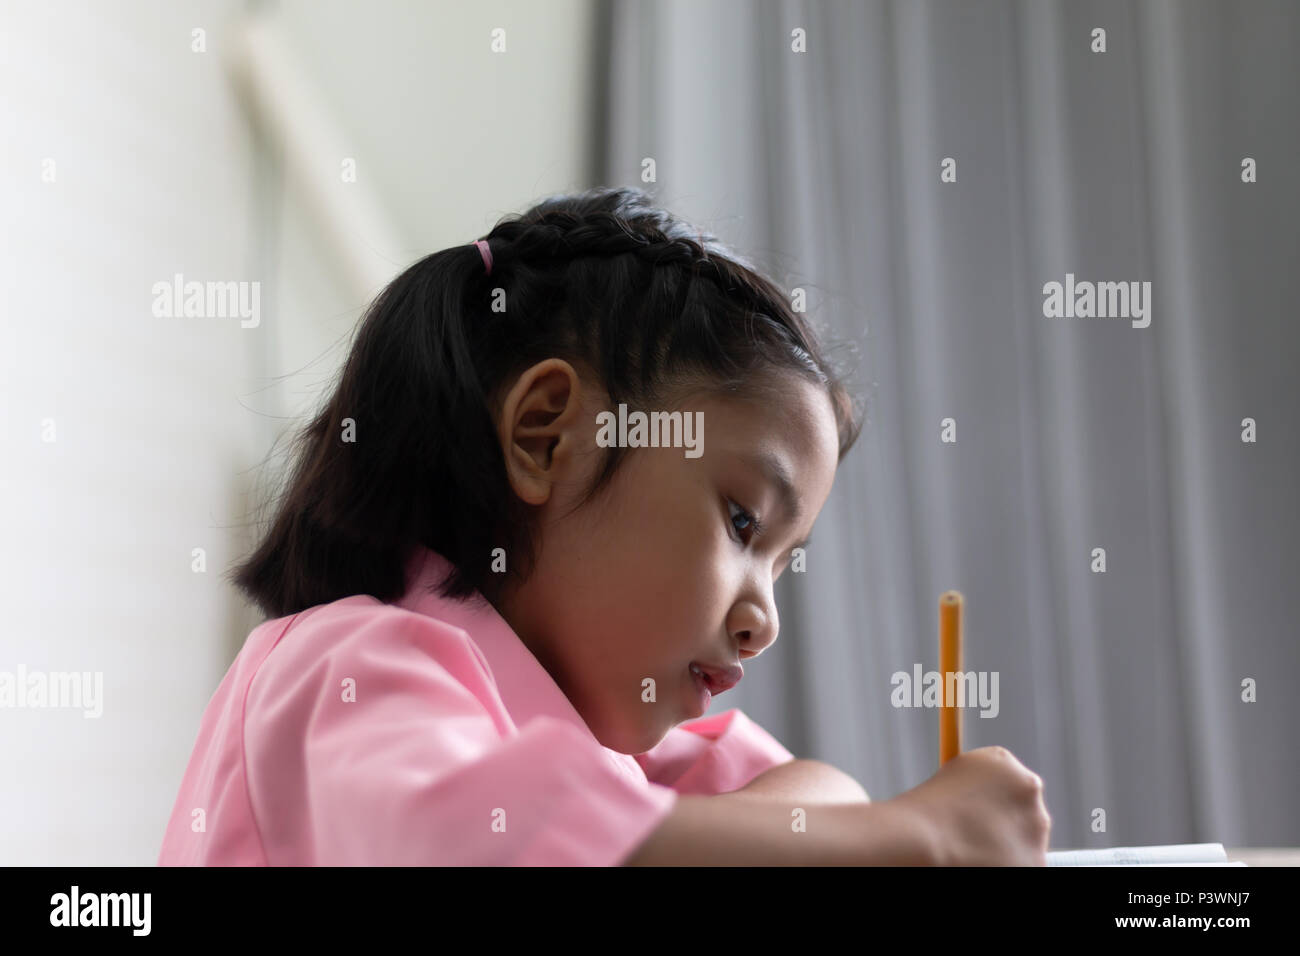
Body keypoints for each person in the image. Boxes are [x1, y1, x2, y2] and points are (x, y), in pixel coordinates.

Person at [157, 185, 1049, 865]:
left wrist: (864, 827)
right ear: (549, 436)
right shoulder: (344, 668)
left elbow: (819, 799)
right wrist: (917, 839)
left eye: (783, 563)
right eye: (743, 524)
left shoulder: (612, 757)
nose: (762, 618)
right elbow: (488, 841)